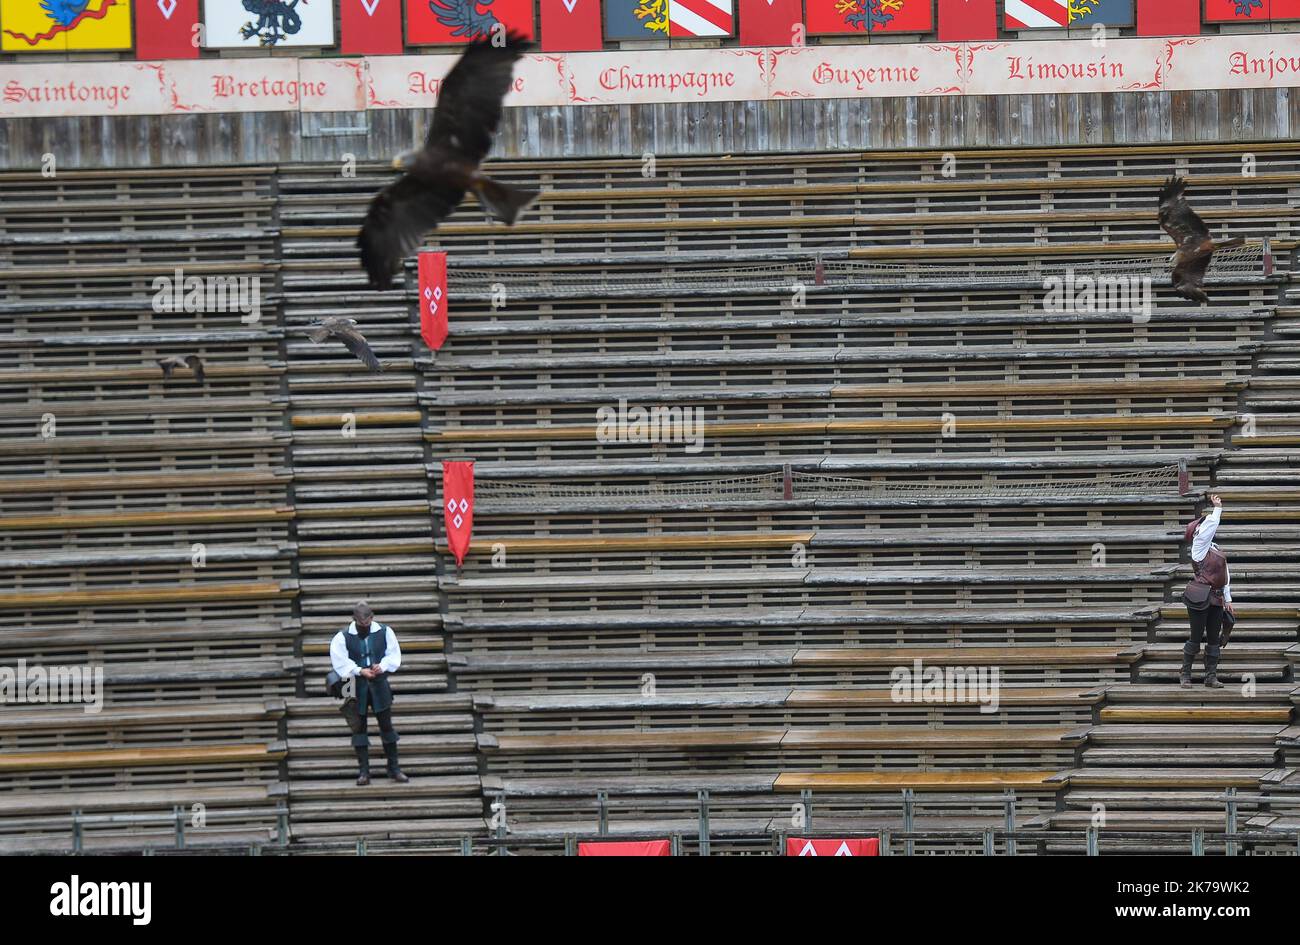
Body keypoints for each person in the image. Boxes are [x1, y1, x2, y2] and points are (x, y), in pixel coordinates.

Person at [329, 601, 409, 785]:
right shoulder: (342, 636)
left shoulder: (385, 631)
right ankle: (364, 772)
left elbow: (393, 655)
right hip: (352, 683)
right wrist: (359, 670)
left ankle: (394, 769)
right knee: (358, 728)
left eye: (366, 622)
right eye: (360, 623)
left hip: (379, 681)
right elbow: (340, 662)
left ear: (372, 618)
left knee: (387, 726)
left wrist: (382, 666)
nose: (363, 626)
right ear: (354, 620)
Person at [1181, 495, 1233, 689]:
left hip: (1217, 597)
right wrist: (1217, 508)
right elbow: (1209, 528)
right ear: (1197, 533)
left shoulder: (1215, 549)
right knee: (1195, 637)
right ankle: (1185, 674)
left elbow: (1225, 575)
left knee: (1213, 639)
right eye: (1200, 527)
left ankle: (1210, 677)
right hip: (1200, 597)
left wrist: (1228, 599)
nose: (1204, 527)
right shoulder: (1198, 547)